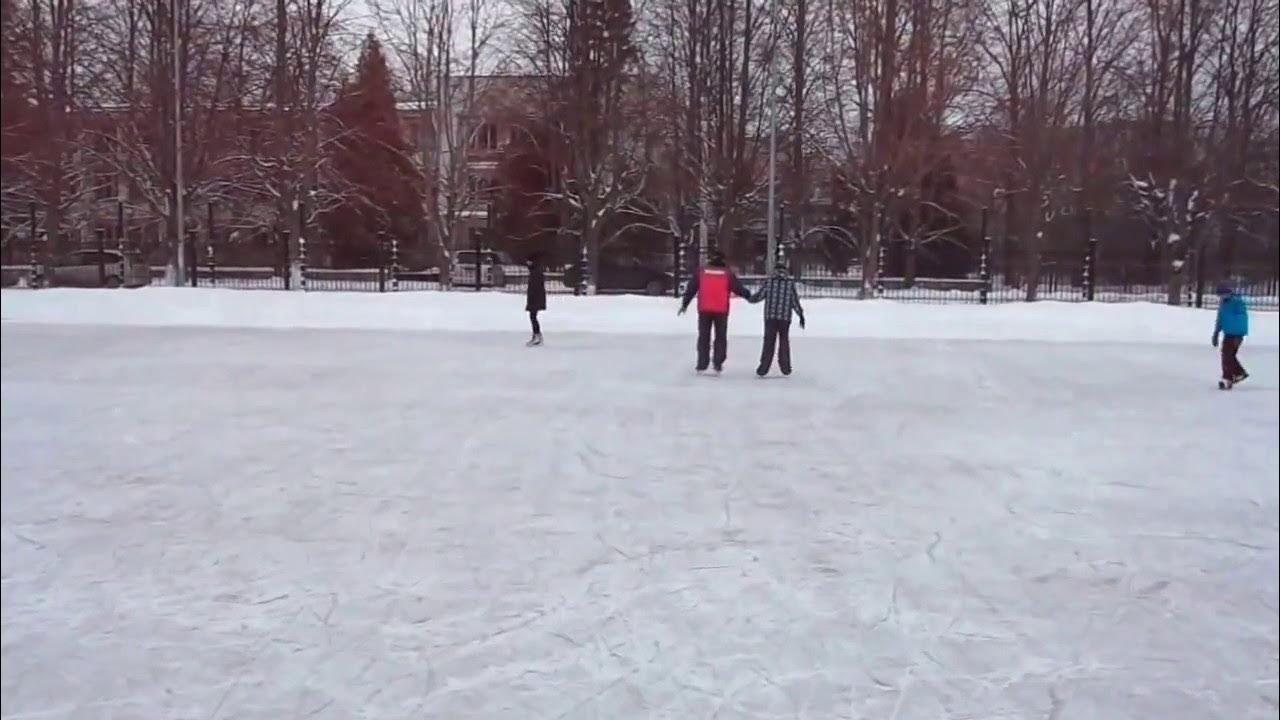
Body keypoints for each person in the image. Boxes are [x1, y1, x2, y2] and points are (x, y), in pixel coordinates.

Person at [678, 250, 753, 373]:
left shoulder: (701, 272)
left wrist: (685, 304)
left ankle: (702, 363)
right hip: (721, 310)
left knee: (704, 336)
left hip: (704, 309)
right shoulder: (727, 274)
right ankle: (718, 362)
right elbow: (738, 288)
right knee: (720, 336)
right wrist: (750, 296)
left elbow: (691, 288)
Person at [749, 265, 806, 376]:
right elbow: (794, 301)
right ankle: (785, 367)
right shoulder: (789, 284)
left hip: (770, 317)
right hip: (785, 318)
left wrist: (749, 298)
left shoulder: (769, 282)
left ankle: (764, 367)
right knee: (784, 341)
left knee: (768, 342)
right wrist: (800, 315)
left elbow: (759, 296)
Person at [1211, 282, 1249, 387]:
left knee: (1227, 355)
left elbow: (1242, 319)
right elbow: (1220, 320)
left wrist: (1239, 334)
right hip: (1228, 334)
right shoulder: (1223, 304)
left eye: (1223, 294)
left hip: (1236, 334)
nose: (1221, 297)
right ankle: (1233, 375)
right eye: (1220, 295)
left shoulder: (1237, 302)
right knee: (1227, 355)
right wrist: (1216, 333)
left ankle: (1233, 375)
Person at [525, 252, 547, 346]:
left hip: (535, 298)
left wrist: (533, 298)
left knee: (533, 317)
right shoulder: (535, 271)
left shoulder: (535, 272)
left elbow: (535, 287)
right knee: (533, 317)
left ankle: (537, 335)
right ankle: (536, 335)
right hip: (535, 298)